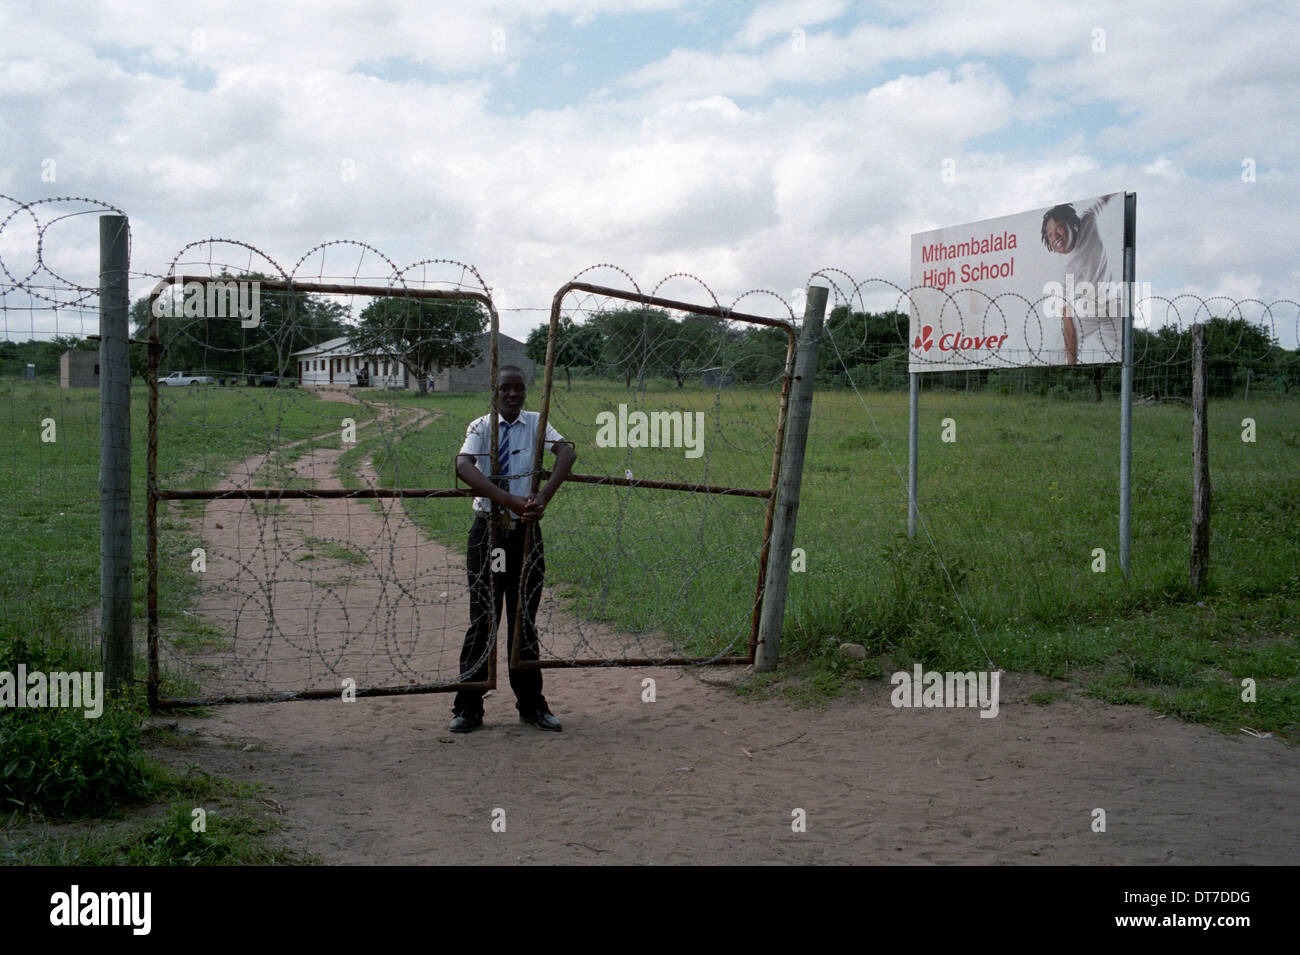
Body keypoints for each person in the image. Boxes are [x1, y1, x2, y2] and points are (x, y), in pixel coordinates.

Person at [449, 364, 577, 733]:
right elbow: (463, 465)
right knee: (483, 619)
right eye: (506, 388)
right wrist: (506, 498)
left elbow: (566, 452)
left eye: (519, 388)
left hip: (524, 533)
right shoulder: (481, 426)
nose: (513, 395)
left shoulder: (537, 423)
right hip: (489, 531)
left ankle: (531, 704)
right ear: (494, 391)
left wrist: (542, 498)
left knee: (524, 620)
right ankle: (468, 706)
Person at [1041, 194, 1119, 364]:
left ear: (1071, 223)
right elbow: (1067, 318)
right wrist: (1072, 364)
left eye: (1059, 227)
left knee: (1124, 354)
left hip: (1114, 305)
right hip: (1088, 310)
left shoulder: (1088, 222)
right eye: (1050, 235)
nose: (1056, 237)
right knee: (1057, 350)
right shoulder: (1062, 271)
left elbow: (1103, 201)